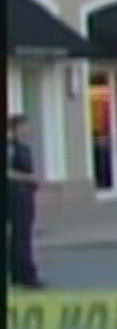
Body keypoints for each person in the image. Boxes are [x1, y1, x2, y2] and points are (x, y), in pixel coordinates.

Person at [8, 112, 46, 289]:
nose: (26, 130)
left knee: (23, 235)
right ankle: (26, 275)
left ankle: (19, 274)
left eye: (26, 126)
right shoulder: (10, 147)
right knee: (20, 236)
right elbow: (8, 172)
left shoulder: (25, 147)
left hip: (26, 195)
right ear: (14, 129)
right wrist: (29, 178)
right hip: (15, 196)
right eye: (22, 127)